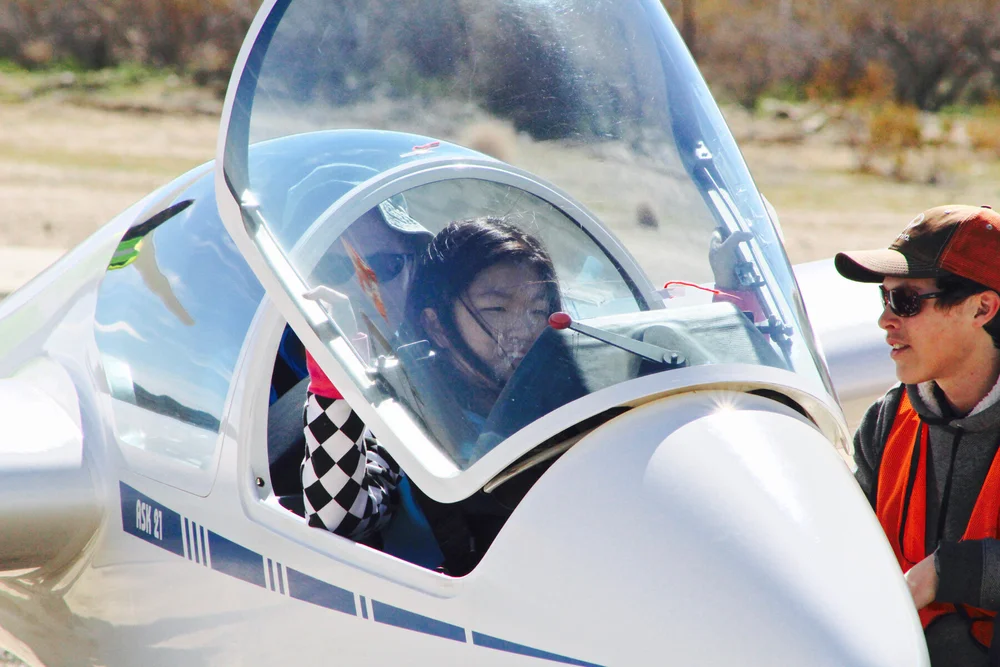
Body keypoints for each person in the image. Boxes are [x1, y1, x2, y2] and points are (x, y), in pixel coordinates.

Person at [834, 204, 1000, 666]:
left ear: (981, 307)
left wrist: (949, 573)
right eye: (884, 300)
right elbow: (842, 546)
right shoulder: (888, 421)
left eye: (906, 301)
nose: (886, 321)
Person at [300, 199, 431, 541]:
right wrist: (333, 369)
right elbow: (337, 520)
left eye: (386, 265)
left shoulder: (440, 350)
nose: (362, 284)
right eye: (332, 267)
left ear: (413, 268)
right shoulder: (279, 360)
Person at [400, 215, 563, 467]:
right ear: (436, 326)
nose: (524, 330)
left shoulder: (565, 410)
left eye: (537, 311)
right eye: (497, 309)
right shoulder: (404, 423)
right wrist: (330, 393)